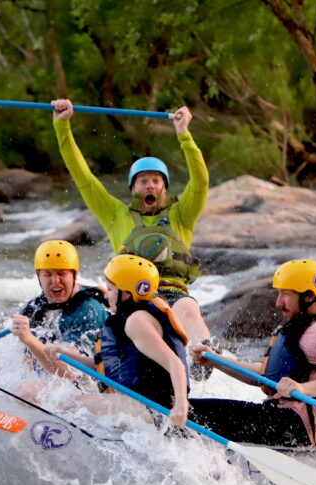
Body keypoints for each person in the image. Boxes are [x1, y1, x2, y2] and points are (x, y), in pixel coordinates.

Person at [51, 98, 213, 359]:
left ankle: (204, 352)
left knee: (186, 307)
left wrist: (184, 135)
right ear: (133, 188)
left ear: (164, 188)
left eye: (156, 181)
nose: (150, 186)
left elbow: (201, 181)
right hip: (132, 301)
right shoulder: (115, 214)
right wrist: (62, 127)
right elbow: (83, 177)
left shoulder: (181, 214)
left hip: (172, 294)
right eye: (143, 181)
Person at [188, 259, 316, 446]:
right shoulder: (304, 325)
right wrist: (216, 360)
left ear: (309, 296)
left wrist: (303, 388)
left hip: (296, 426)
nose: (278, 302)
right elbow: (264, 376)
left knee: (187, 412)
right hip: (280, 416)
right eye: (279, 293)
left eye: (286, 294)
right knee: (188, 410)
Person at [54, 254, 190, 428]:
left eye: (110, 289)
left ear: (127, 293)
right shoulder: (131, 318)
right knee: (74, 398)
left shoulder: (137, 322)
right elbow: (106, 366)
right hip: (143, 404)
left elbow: (175, 363)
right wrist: (63, 353)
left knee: (69, 401)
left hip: (155, 409)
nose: (107, 295)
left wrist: (181, 405)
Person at [0, 240, 108, 377]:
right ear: (38, 276)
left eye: (62, 273)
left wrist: (29, 339)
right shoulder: (34, 308)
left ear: (75, 275)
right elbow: (16, 365)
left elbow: (71, 373)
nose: (55, 281)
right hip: (49, 382)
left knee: (27, 390)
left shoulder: (90, 311)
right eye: (47, 274)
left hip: (89, 386)